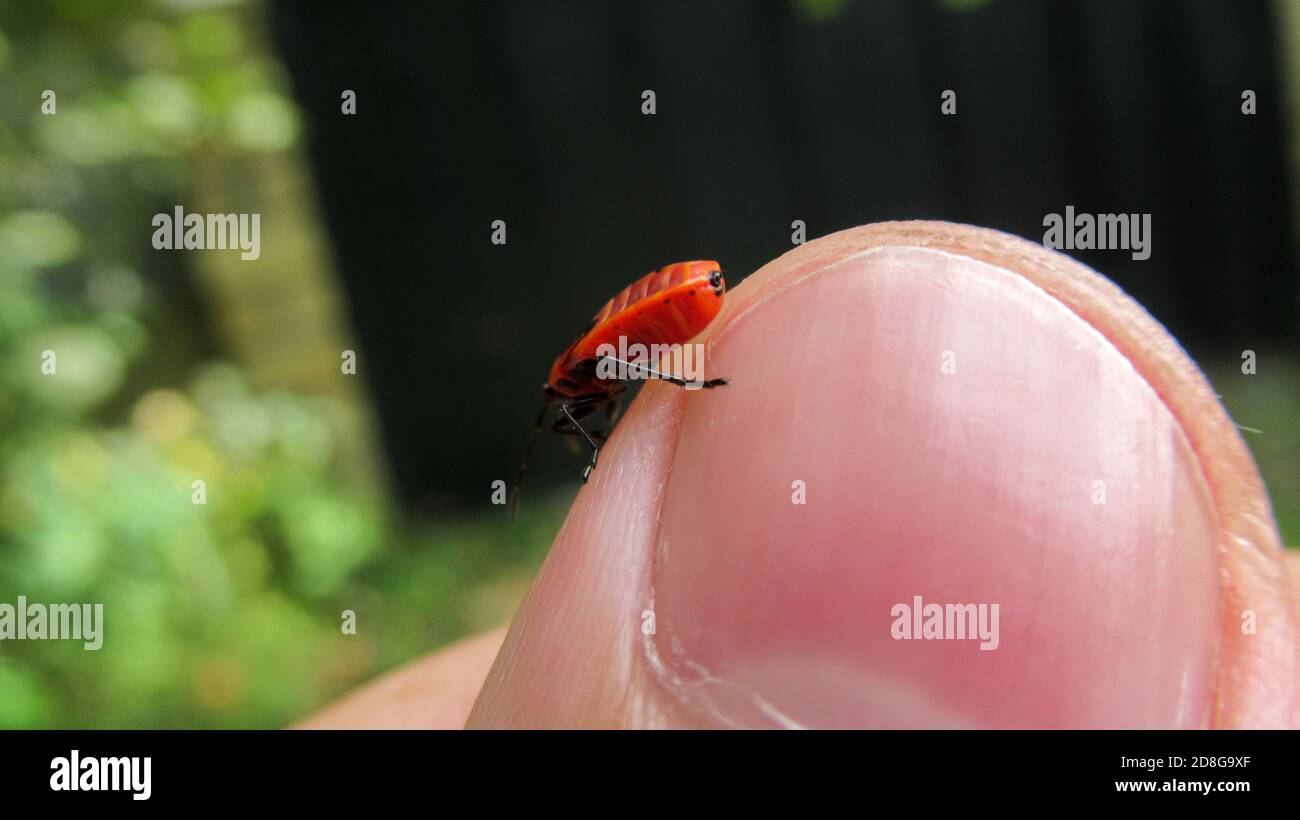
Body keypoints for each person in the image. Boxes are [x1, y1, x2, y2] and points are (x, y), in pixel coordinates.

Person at [300, 222, 1300, 729]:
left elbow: (621, 365)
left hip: (677, 318)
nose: (570, 432)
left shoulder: (582, 375)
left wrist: (678, 381)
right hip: (678, 319)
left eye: (565, 426)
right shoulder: (587, 379)